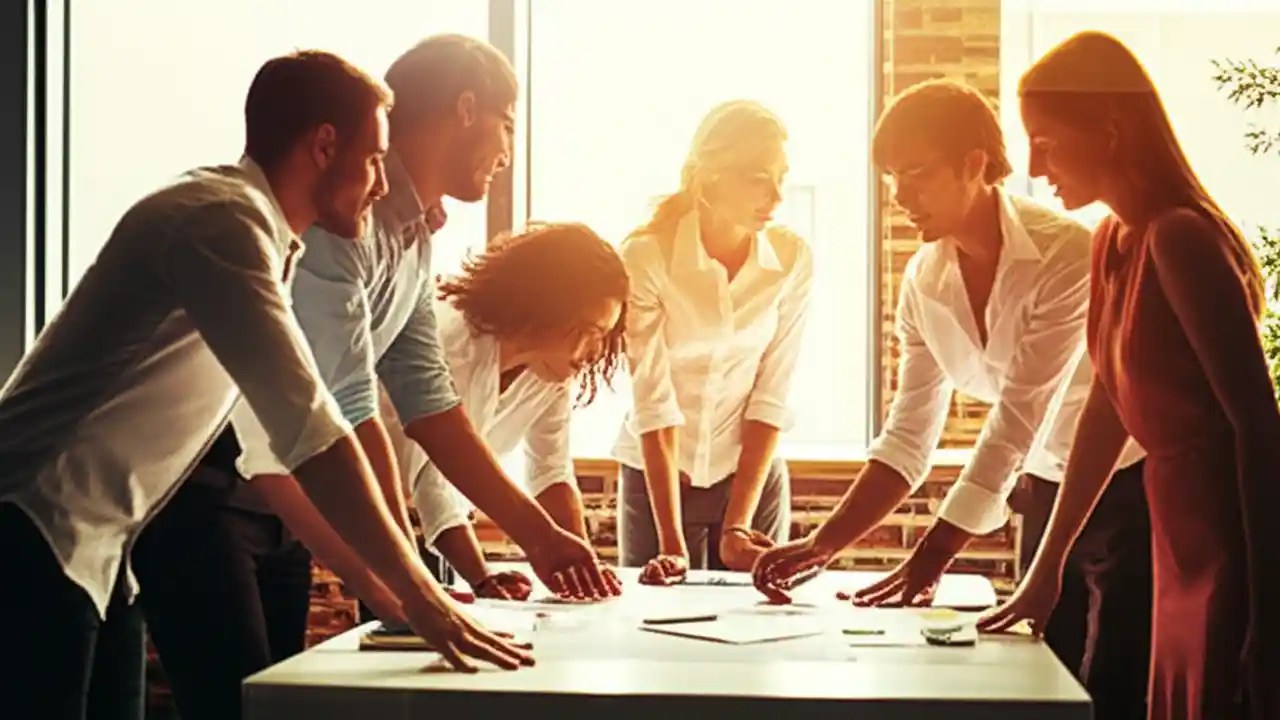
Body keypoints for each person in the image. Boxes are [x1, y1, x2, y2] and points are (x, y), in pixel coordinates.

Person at [0, 50, 533, 720]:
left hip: (104, 548)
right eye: (373, 160)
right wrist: (420, 593)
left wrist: (394, 585)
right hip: (29, 528)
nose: (379, 184)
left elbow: (267, 439)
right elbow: (312, 425)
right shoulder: (220, 220)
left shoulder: (269, 243)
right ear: (323, 146)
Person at [752, 79, 1152, 718]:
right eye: (891, 180)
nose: (901, 197)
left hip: (1128, 492)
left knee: (1113, 685)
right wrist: (823, 544)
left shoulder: (1066, 254)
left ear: (974, 165)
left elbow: (1019, 415)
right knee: (1045, 680)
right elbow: (910, 436)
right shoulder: (923, 279)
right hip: (1046, 489)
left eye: (915, 175)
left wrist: (933, 555)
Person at [978, 31, 1280, 720]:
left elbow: (1258, 426)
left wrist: (1270, 613)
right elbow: (1105, 409)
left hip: (1227, 549)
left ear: (1109, 132)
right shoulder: (1113, 240)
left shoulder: (1180, 237)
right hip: (1176, 543)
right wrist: (1045, 568)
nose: (1031, 164)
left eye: (1046, 142)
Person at [615, 100, 814, 583]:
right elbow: (654, 405)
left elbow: (771, 395)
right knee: (657, 631)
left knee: (756, 629)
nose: (777, 196)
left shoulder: (791, 259)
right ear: (707, 178)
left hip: (749, 481)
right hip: (657, 481)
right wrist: (671, 548)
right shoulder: (647, 257)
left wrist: (738, 525)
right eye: (758, 178)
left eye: (782, 176)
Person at [383, 222, 628, 599]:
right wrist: (480, 577)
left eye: (604, 336)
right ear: (548, 305)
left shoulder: (550, 373)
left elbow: (551, 473)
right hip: (376, 513)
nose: (594, 352)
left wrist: (581, 567)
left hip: (439, 527)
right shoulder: (450, 341)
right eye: (589, 331)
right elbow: (431, 475)